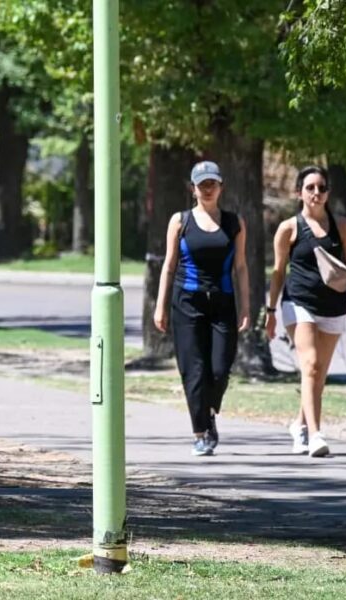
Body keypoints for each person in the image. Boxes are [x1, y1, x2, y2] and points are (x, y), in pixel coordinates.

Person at [154, 161, 250, 456]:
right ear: (192, 188)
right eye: (202, 184)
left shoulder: (234, 223)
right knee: (193, 370)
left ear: (221, 187)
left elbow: (242, 267)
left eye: (213, 184)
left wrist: (245, 308)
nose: (207, 189)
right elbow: (169, 265)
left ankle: (208, 411)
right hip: (187, 302)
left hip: (222, 301)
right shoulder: (180, 221)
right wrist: (160, 307)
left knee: (220, 369)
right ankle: (201, 432)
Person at [265, 166, 346, 457]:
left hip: (333, 305)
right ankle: (316, 434)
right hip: (298, 302)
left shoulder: (342, 226)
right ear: (299, 193)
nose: (316, 193)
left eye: (321, 188)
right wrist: (270, 310)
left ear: (328, 192)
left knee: (318, 375)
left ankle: (299, 425)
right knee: (311, 365)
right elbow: (278, 271)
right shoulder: (289, 228)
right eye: (310, 188)